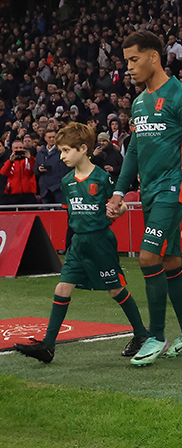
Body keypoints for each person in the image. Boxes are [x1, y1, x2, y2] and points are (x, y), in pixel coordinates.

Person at [107, 30, 182, 367]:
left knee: (148, 257)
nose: (129, 68)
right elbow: (133, 152)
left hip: (173, 189)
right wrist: (120, 191)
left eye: (134, 60)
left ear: (154, 57)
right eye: (126, 62)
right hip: (149, 192)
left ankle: (155, 336)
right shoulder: (138, 103)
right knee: (170, 261)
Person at [12, 122, 151, 363]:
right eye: (61, 151)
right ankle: (48, 346)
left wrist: (119, 210)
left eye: (66, 150)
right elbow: (71, 215)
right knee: (62, 288)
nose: (62, 156)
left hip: (100, 242)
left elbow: (121, 205)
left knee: (115, 289)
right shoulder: (67, 182)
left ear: (83, 149)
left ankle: (141, 335)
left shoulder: (102, 177)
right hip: (78, 244)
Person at [1, 138, 37, 205]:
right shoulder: (8, 160)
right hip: (13, 194)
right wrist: (10, 161)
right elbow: (3, 172)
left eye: (21, 147)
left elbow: (35, 170)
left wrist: (30, 158)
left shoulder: (29, 160)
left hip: (28, 193)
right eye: (16, 148)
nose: (19, 150)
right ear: (12, 149)